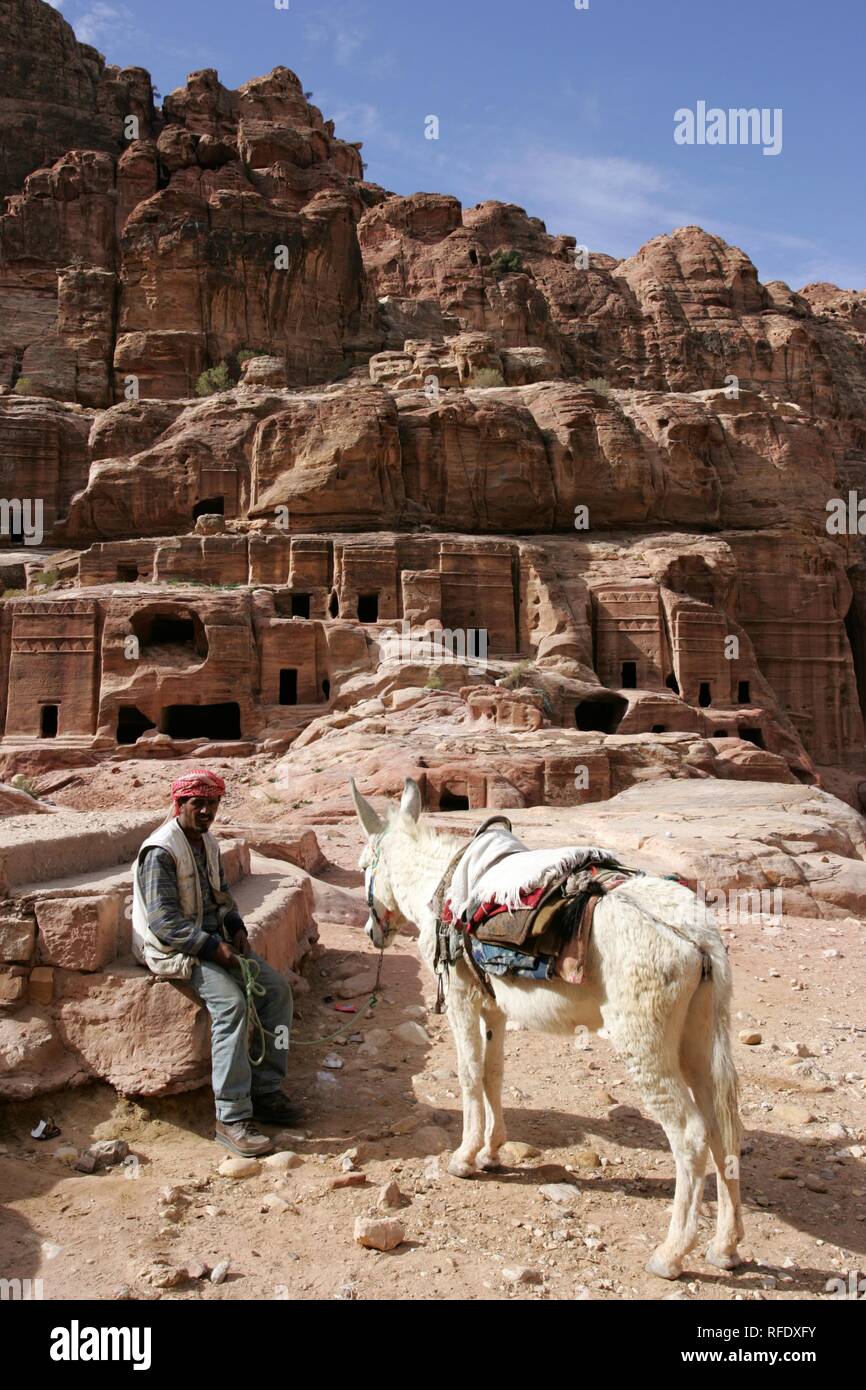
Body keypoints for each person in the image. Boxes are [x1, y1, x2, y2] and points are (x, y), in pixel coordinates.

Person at [131, 769, 301, 1157]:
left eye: (212, 803)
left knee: (277, 993)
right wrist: (212, 948)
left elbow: (222, 895)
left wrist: (236, 928)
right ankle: (231, 1116)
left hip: (215, 941)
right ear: (179, 804)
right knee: (231, 1005)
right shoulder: (161, 850)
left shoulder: (207, 841)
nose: (206, 811)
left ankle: (267, 1089)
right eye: (198, 803)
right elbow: (163, 922)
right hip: (176, 949)